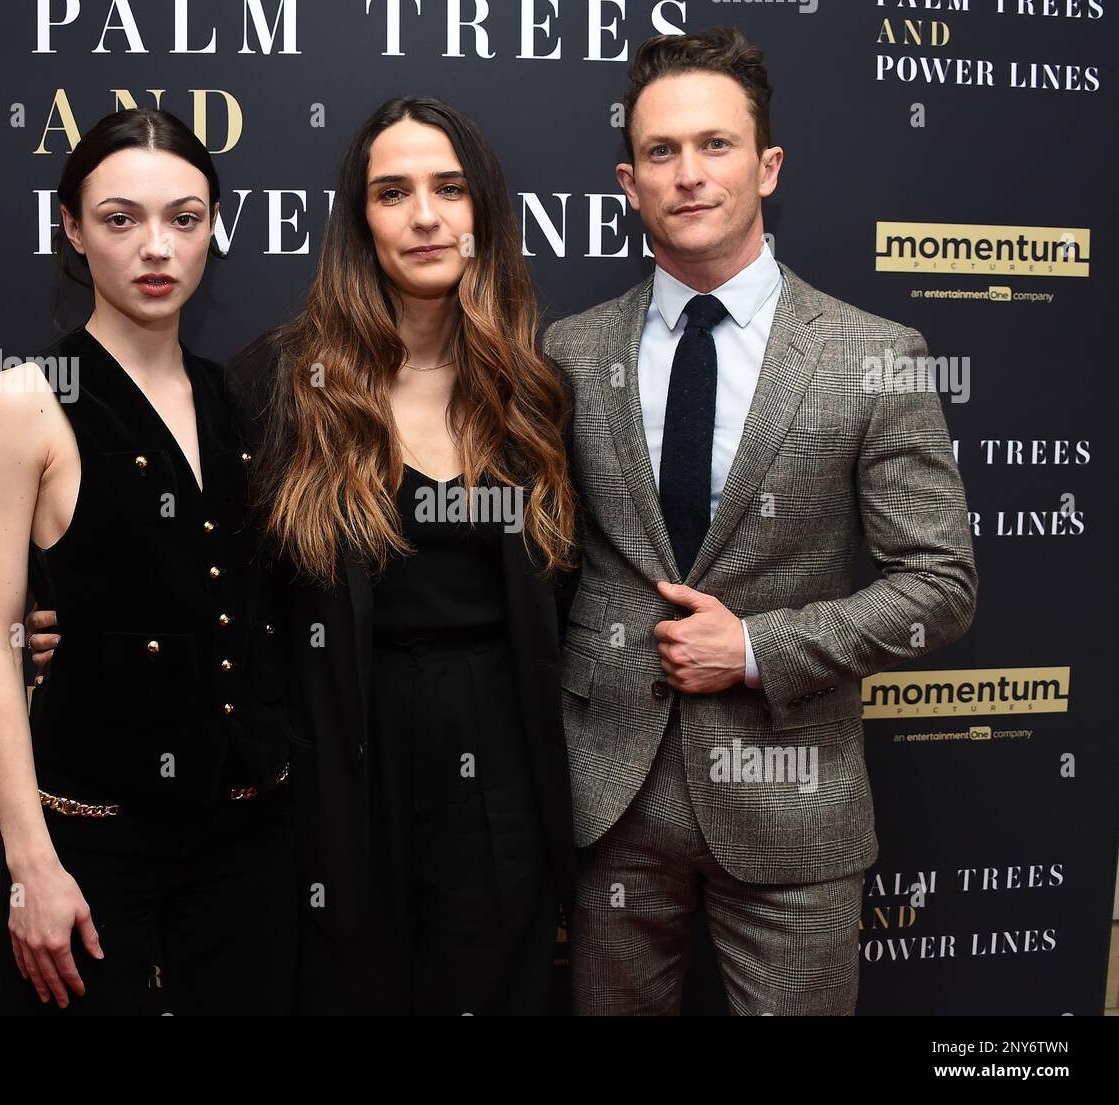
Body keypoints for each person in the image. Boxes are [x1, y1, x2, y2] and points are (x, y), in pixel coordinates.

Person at [542, 28, 977, 1015]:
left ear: (767, 164)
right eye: (661, 152)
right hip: (610, 801)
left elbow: (940, 586)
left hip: (794, 797)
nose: (688, 174)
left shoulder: (876, 353)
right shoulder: (565, 354)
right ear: (628, 179)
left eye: (716, 145)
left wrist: (752, 647)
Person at [227, 96, 580, 1015]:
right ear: (360, 221)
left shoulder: (538, 386)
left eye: (449, 189)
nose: (425, 216)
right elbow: (217, 584)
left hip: (503, 765)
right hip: (342, 756)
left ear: (484, 215)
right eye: (393, 192)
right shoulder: (281, 381)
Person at [0, 108, 294, 1016]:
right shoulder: (24, 401)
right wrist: (32, 864)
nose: (157, 247)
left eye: (184, 219)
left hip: (248, 844)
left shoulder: (245, 398)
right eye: (120, 219)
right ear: (70, 227)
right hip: (92, 843)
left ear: (213, 228)